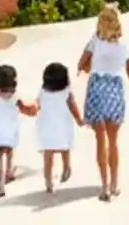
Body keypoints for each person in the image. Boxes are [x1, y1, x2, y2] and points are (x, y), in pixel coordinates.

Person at [77, 4, 129, 202]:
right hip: (115, 89)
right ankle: (115, 183)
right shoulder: (124, 45)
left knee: (101, 140)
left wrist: (91, 66)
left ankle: (105, 186)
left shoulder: (95, 41)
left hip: (97, 88)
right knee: (113, 140)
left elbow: (81, 63)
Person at [0, 64, 37, 197]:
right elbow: (25, 108)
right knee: (9, 151)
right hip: (10, 129)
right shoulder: (15, 96)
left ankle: (1, 175)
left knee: (0, 153)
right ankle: (9, 172)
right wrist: (35, 109)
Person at [35, 62, 84, 194]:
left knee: (48, 155)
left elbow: (36, 105)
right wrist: (79, 120)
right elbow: (73, 107)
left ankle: (49, 182)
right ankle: (66, 168)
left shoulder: (42, 92)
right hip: (63, 124)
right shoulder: (67, 92)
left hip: (46, 126)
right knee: (64, 147)